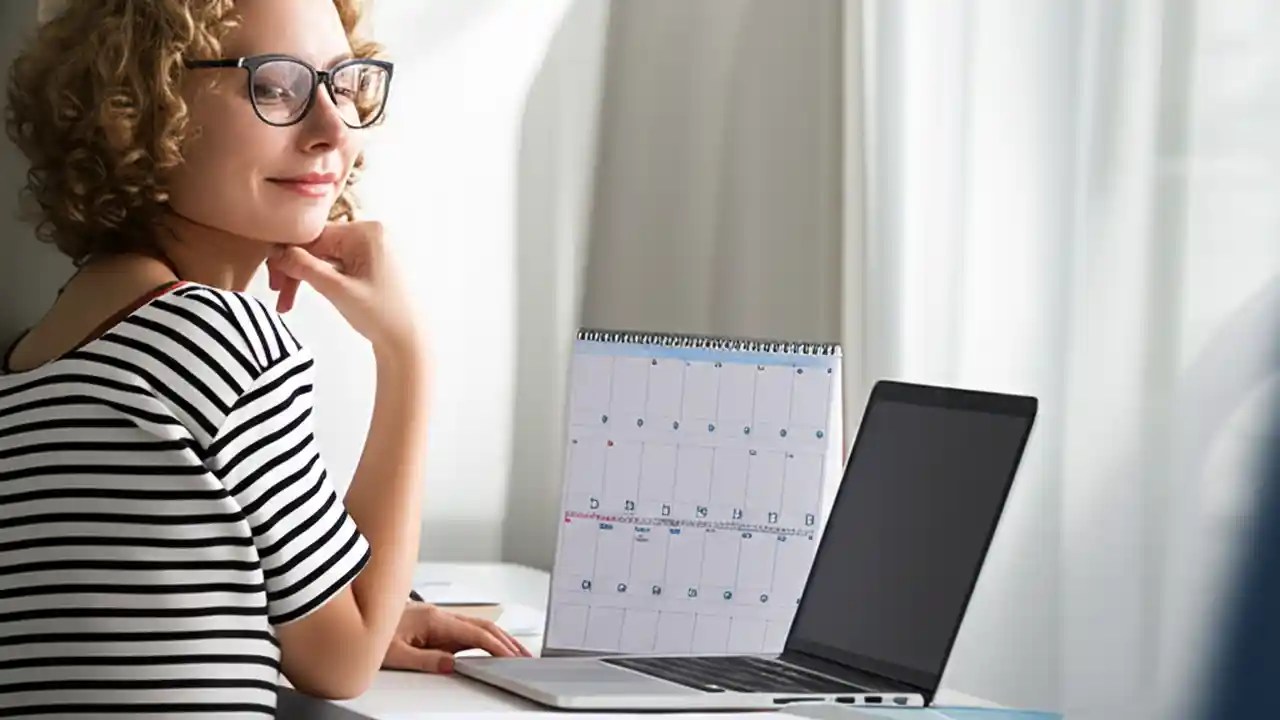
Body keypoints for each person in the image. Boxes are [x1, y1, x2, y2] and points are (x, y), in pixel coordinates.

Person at [0, 0, 529, 716]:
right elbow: (343, 664)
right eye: (275, 86)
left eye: (344, 84)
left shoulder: (43, 349)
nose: (333, 128)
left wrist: (339, 615)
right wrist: (405, 352)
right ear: (135, 106)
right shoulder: (213, 338)